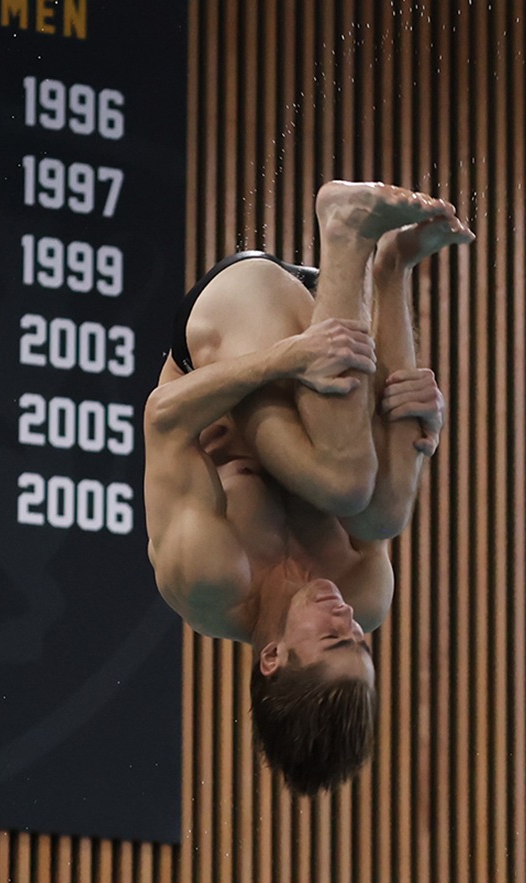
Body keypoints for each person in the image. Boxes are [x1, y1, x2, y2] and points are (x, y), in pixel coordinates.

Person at [144, 180, 473, 794]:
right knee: (378, 511)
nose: (350, 617)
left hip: (231, 321)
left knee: (346, 485)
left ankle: (347, 231)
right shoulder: (366, 593)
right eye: (361, 642)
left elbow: (163, 417)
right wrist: (419, 418)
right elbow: (385, 446)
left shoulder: (208, 575)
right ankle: (385, 258)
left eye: (331, 637)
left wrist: (284, 359)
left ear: (272, 658)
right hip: (328, 320)